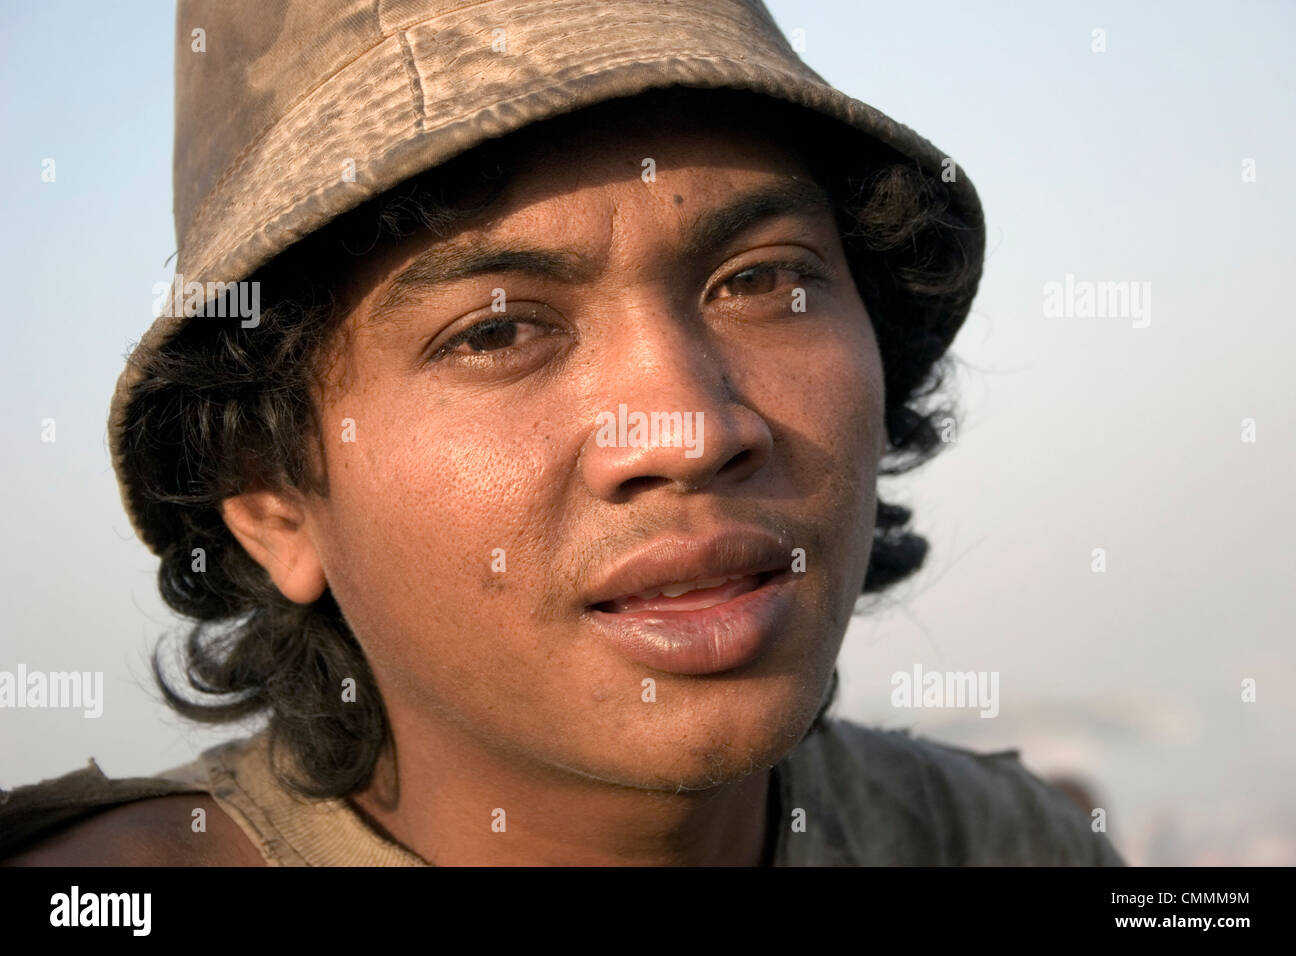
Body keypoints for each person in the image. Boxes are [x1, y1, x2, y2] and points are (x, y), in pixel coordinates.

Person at [0, 0, 1124, 866]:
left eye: (762, 278)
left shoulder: (1012, 846)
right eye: (495, 333)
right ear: (274, 500)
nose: (684, 430)